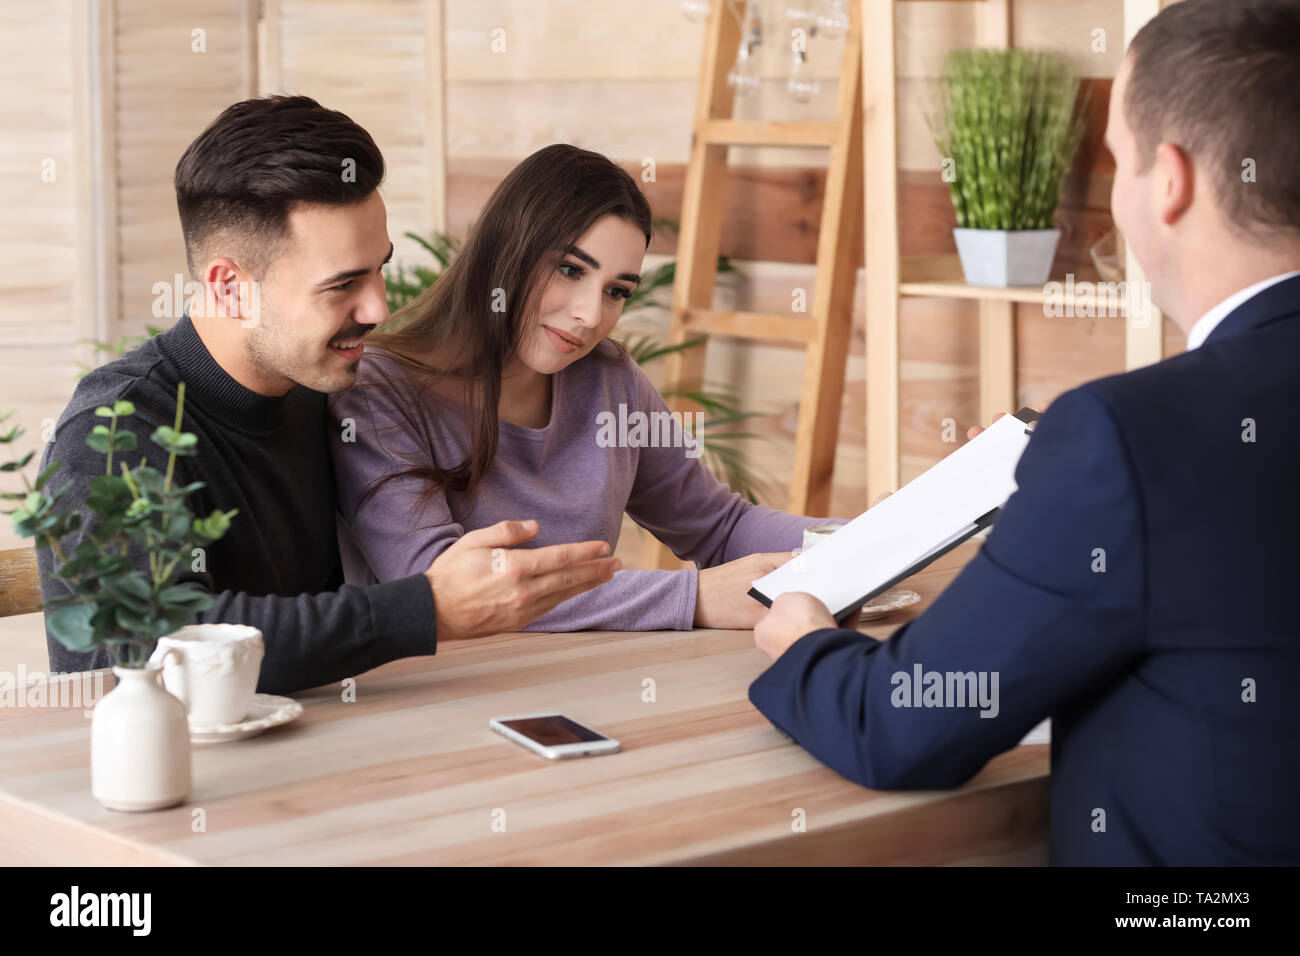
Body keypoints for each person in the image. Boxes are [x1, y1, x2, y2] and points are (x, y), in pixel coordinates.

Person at [747, 0, 1300, 865]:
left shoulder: (1128, 437)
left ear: (1171, 180)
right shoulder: (1133, 452)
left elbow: (902, 728)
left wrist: (805, 641)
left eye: (1113, 159)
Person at [39, 96, 620, 695]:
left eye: (380, 269)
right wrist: (428, 610)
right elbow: (169, 642)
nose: (378, 308)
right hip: (164, 775)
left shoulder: (333, 396)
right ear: (231, 288)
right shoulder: (112, 432)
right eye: (343, 284)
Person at [328, 144, 851, 632]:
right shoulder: (377, 393)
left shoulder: (609, 379)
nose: (590, 314)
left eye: (617, 291)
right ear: (506, 250)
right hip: (445, 700)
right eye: (569, 269)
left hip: (594, 683)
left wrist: (871, 538)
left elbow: (720, 526)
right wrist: (693, 598)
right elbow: (437, 589)